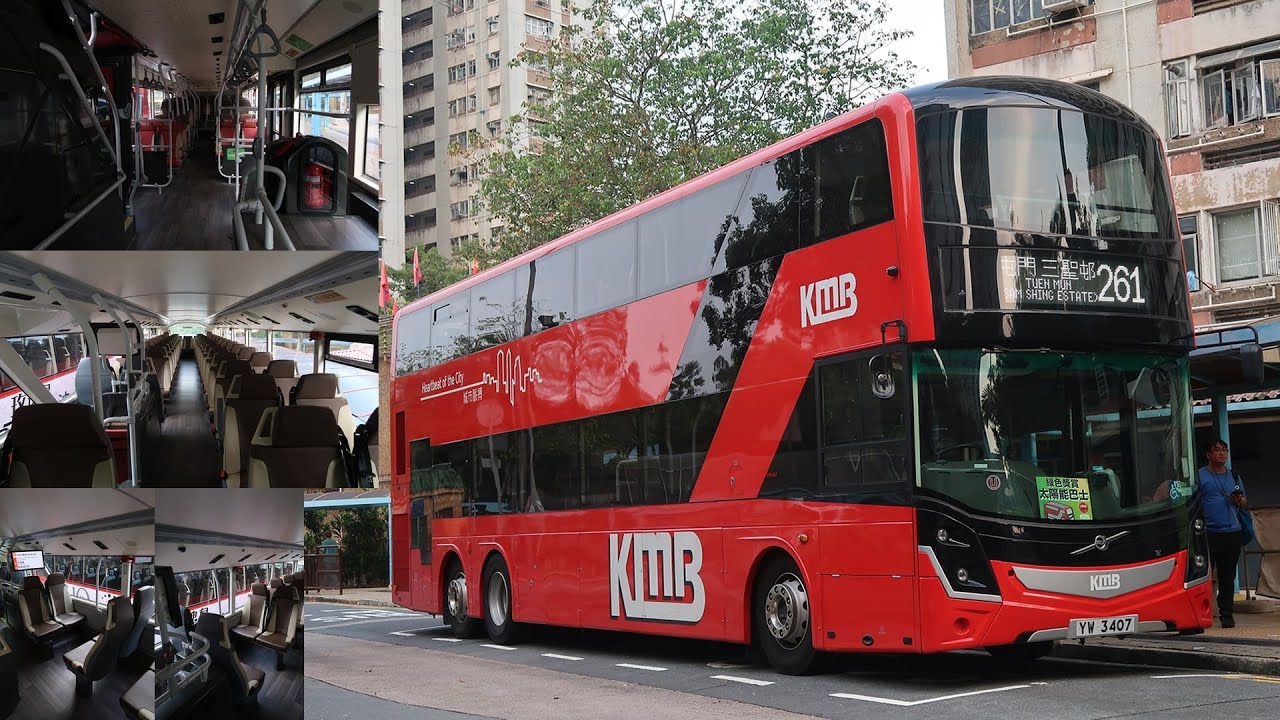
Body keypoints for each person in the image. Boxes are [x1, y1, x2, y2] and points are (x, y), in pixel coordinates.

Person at [1198, 438, 1249, 628]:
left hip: (1232, 532)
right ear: (1208, 454)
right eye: (1217, 450)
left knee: (1228, 576)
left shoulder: (1233, 476)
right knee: (1204, 574)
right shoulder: (1200, 476)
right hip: (1208, 532)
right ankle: (1203, 612)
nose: (1222, 453)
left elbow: (1244, 503)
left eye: (1225, 450)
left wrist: (1238, 500)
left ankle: (1227, 614)